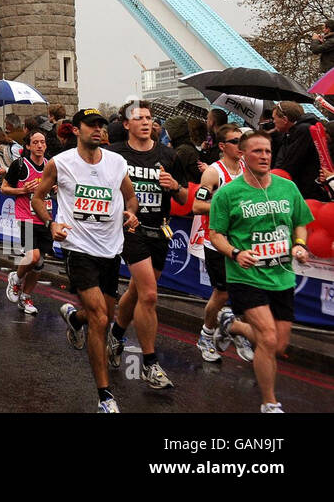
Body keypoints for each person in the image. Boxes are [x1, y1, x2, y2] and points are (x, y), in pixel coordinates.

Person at [32, 109, 139, 413]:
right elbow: (38, 197)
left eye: (101, 125)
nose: (98, 129)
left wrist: (131, 213)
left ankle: (74, 318)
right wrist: (51, 224)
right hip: (78, 248)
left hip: (110, 249)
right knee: (102, 320)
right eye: (91, 125)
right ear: (76, 130)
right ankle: (105, 395)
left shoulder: (117, 163)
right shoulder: (61, 163)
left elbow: (130, 198)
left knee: (102, 313)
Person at [209, 129, 314, 412]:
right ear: (243, 155)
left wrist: (299, 244)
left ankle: (232, 325)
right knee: (267, 338)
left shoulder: (287, 188)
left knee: (279, 344)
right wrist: (235, 252)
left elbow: (301, 221)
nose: (264, 156)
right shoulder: (228, 194)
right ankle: (270, 403)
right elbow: (215, 234)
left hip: (282, 276)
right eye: (257, 151)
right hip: (246, 276)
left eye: (267, 151)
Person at [107, 102, 188, 389]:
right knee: (150, 295)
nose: (145, 122)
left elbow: (183, 198)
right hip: (130, 229)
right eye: (138, 118)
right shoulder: (115, 154)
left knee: (137, 290)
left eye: (149, 118)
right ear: (126, 124)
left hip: (159, 230)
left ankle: (116, 333)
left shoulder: (168, 155)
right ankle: (150, 364)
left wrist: (174, 186)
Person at [191, 124, 253, 362]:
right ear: (222, 146)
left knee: (248, 291)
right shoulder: (214, 173)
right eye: (235, 141)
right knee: (222, 294)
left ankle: (238, 333)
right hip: (217, 242)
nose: (241, 145)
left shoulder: (247, 168)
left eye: (243, 140)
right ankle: (206, 336)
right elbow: (197, 206)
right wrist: (230, 210)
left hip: (243, 242)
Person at [1, 129, 51, 315]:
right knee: (34, 256)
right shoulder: (20, 165)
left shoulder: (50, 165)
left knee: (39, 264)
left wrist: (54, 188)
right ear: (28, 146)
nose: (39, 145)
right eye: (35, 142)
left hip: (45, 217)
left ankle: (26, 296)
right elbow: (4, 189)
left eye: (42, 142)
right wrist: (22, 190)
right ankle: (16, 278)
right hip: (25, 216)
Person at [271, 101, 325, 200]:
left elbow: (290, 163)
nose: (273, 122)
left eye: (274, 118)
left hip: (308, 192)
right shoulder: (293, 132)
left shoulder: (303, 131)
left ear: (285, 119)